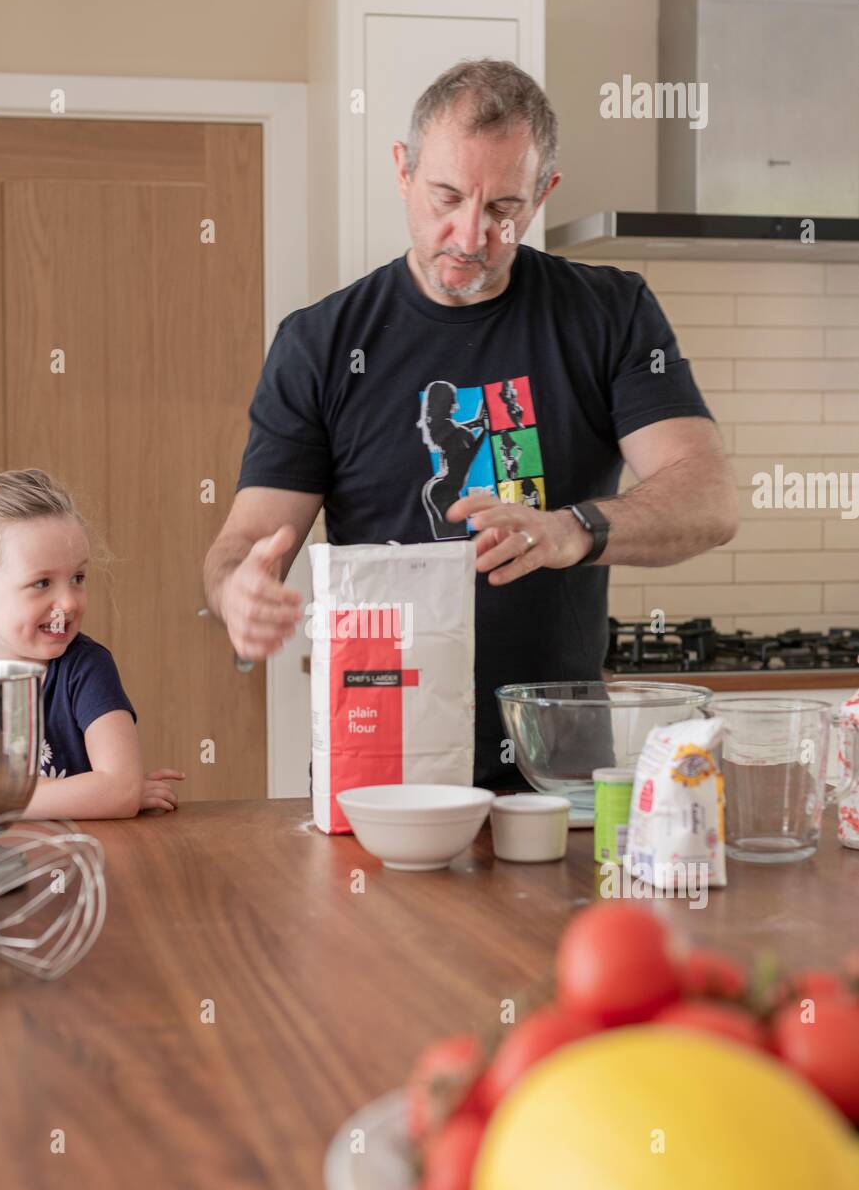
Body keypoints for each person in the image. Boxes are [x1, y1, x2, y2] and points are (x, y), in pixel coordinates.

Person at [204, 59, 738, 791]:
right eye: (446, 197)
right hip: (381, 746)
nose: (468, 235)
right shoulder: (319, 343)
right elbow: (245, 538)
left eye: (502, 208)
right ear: (402, 170)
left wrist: (569, 529)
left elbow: (706, 497)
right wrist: (234, 587)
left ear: (544, 193)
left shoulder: (607, 313)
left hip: (556, 761)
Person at [0, 468, 183, 817]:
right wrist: (93, 792)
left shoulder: (87, 667)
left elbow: (120, 790)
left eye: (78, 578)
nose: (69, 602)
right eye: (42, 584)